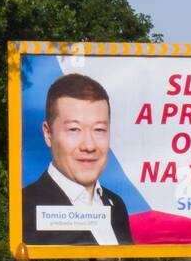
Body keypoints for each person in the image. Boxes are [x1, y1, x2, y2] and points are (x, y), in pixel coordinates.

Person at [22, 73, 133, 245]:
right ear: (48, 133)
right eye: (74, 129)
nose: (89, 146)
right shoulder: (25, 207)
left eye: (99, 130)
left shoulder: (116, 205)